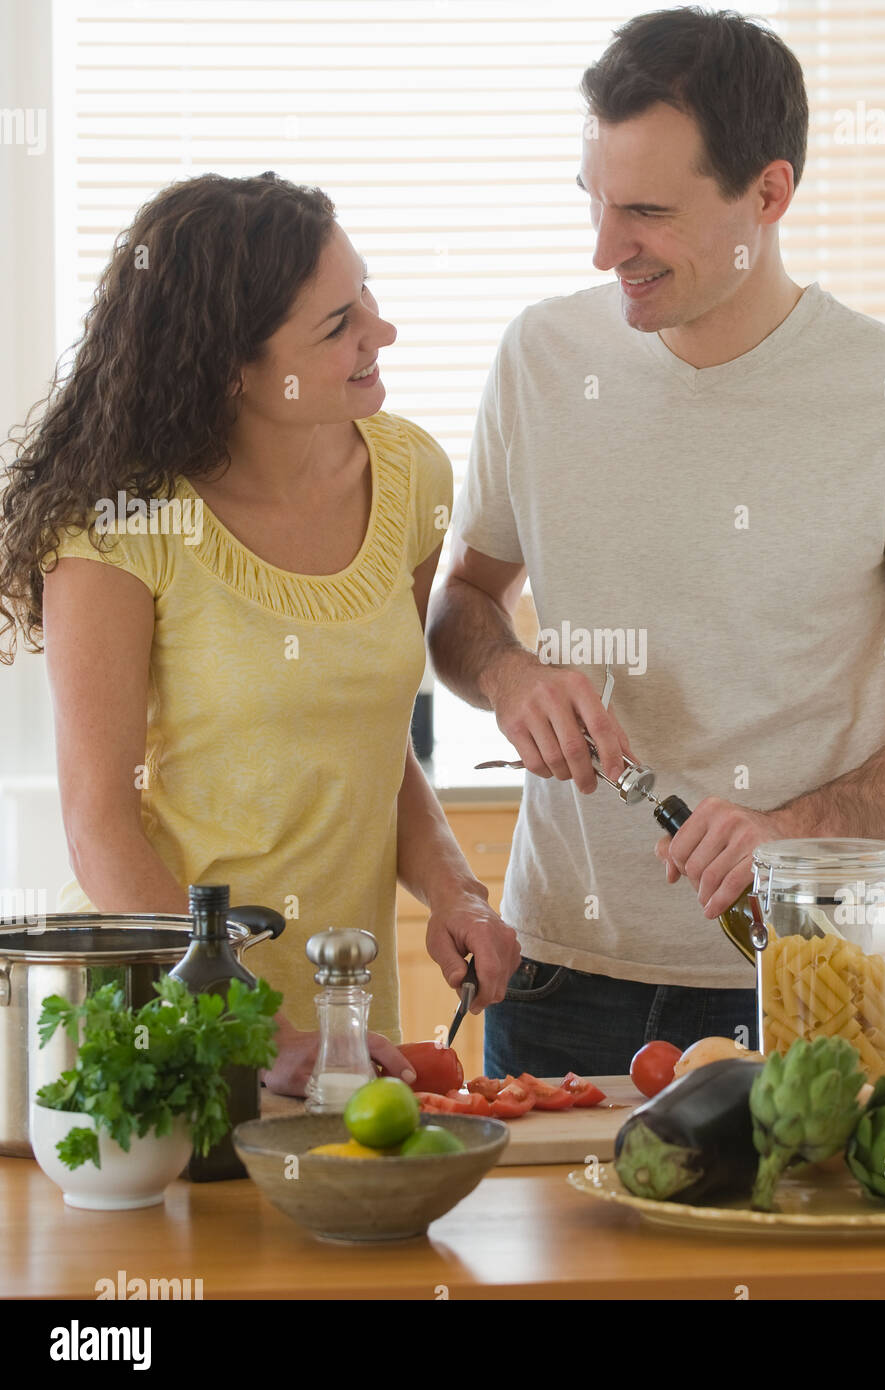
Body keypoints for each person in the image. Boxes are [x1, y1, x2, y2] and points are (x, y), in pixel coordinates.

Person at [426, 7, 885, 1078]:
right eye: (594, 202)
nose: (604, 249)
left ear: (769, 195)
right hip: (556, 975)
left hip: (800, 978)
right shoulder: (541, 358)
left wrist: (793, 830)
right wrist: (507, 670)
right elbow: (460, 603)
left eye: (645, 213)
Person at [0, 171, 519, 1094]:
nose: (381, 333)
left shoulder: (410, 476)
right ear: (229, 367)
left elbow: (372, 742)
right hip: (162, 1023)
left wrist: (456, 893)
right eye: (337, 326)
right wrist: (255, 1030)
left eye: (368, 296)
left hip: (343, 1026)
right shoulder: (121, 523)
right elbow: (100, 829)